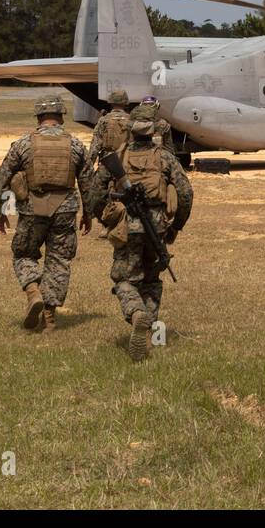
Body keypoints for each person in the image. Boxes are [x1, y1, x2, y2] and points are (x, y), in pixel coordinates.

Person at [86, 103, 193, 361]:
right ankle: (146, 329)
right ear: (154, 130)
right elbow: (186, 193)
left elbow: (95, 193)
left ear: (131, 129)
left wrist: (106, 218)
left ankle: (136, 314)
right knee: (152, 280)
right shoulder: (165, 157)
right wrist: (176, 225)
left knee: (124, 278)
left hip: (126, 226)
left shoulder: (118, 157)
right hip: (157, 228)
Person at [0, 96, 92, 332]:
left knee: (23, 254)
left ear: (38, 117)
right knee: (58, 261)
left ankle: (33, 291)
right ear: (61, 116)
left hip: (31, 210)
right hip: (65, 209)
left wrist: (1, 211)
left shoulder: (23, 144)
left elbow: (3, 179)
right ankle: (49, 316)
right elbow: (88, 183)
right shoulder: (76, 145)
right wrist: (88, 214)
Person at [85, 88, 132, 171]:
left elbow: (95, 146)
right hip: (127, 164)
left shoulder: (103, 120)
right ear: (125, 103)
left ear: (111, 102)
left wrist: (88, 167)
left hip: (107, 165)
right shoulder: (132, 120)